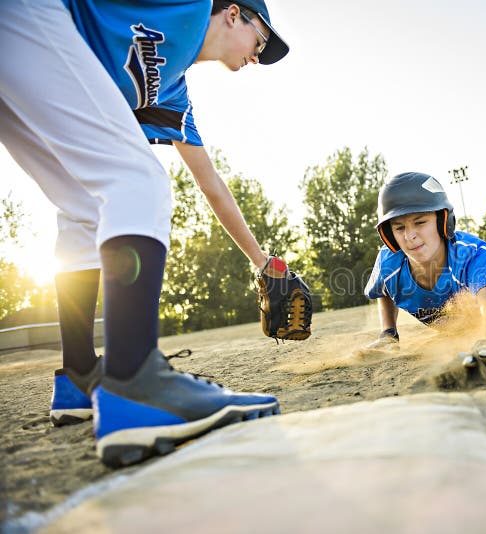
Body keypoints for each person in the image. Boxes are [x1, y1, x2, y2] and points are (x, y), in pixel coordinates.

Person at [0, 0, 291, 467]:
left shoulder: (171, 91)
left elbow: (211, 184)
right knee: (137, 180)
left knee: (81, 207)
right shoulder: (187, 5)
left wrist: (264, 264)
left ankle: (78, 377)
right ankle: (135, 379)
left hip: (29, 49)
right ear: (234, 13)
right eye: (260, 40)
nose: (258, 54)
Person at [363, 172, 486, 366]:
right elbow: (385, 289)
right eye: (399, 228)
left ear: (443, 221)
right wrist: (388, 334)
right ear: (389, 234)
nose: (409, 236)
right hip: (457, 323)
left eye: (420, 222)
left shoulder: (476, 255)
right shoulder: (388, 262)